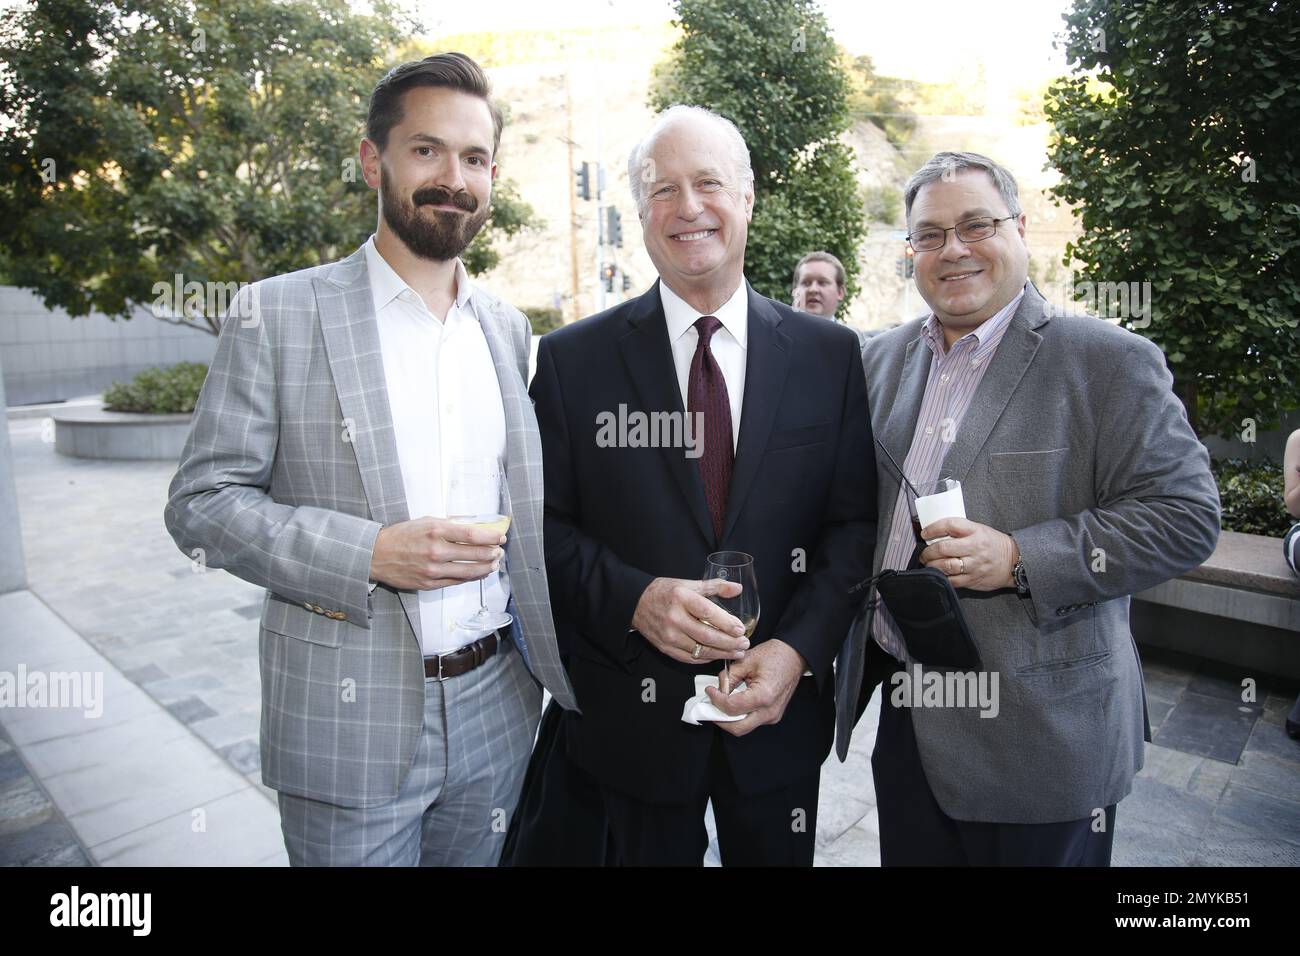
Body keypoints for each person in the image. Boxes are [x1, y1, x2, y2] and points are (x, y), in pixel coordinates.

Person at [164, 52, 576, 866]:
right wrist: (371, 554)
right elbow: (201, 503)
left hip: (498, 703)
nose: (452, 178)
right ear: (372, 160)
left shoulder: (505, 329)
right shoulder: (274, 313)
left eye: (474, 158)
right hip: (347, 718)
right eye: (426, 150)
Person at [842, 151, 1221, 865]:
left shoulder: (1107, 361)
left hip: (1041, 734)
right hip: (909, 716)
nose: (952, 249)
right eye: (929, 235)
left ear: (1019, 228)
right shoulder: (879, 360)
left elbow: (1186, 517)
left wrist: (1020, 558)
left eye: (975, 224)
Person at [525, 105, 876, 866]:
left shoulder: (831, 356)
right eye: (662, 189)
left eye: (709, 183)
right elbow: (541, 531)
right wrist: (635, 599)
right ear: (641, 213)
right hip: (631, 727)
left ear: (747, 198)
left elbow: (852, 530)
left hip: (777, 720)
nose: (687, 207)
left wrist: (797, 652)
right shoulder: (570, 362)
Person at [791, 251, 847, 319]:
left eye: (822, 283)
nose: (813, 289)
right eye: (806, 283)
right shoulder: (775, 329)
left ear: (840, 293)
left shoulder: (850, 330)